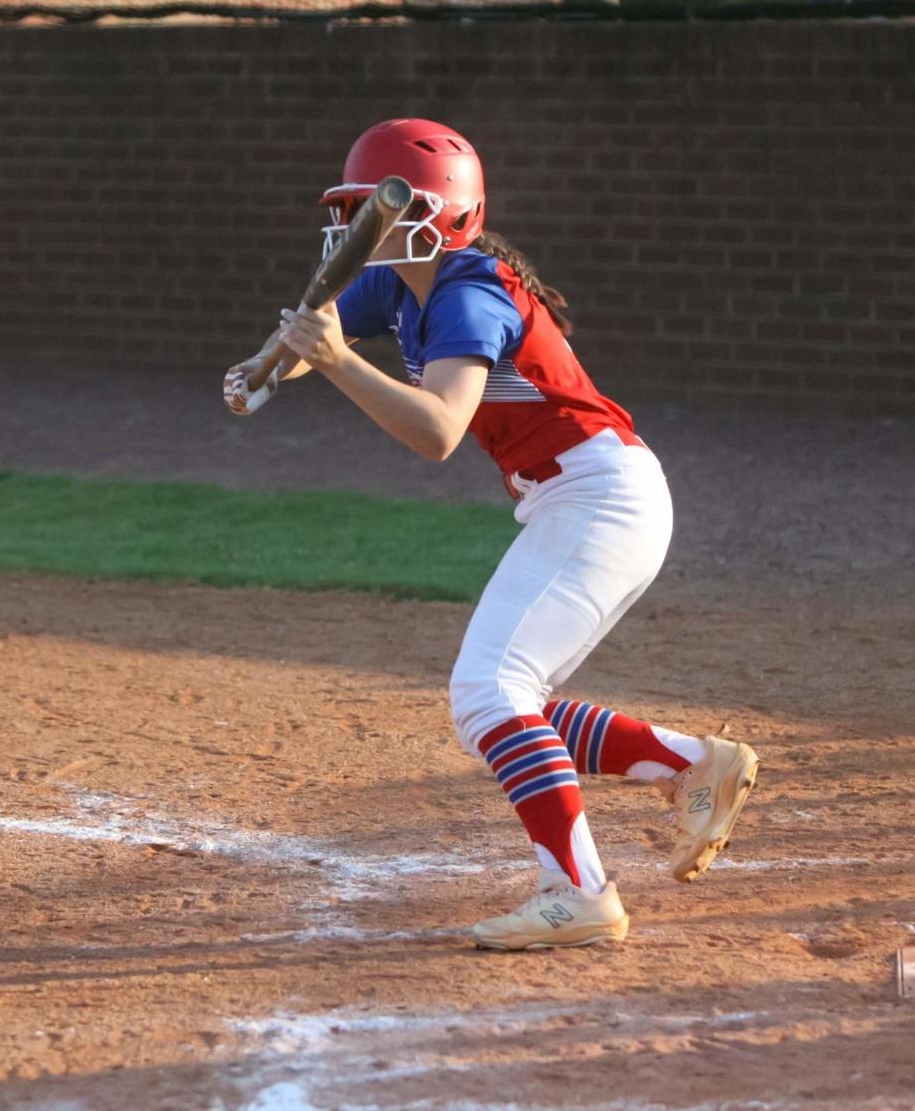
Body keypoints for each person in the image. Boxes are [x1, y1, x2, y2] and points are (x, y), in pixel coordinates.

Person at [224, 118, 759, 951]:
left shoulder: (469, 291)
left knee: (489, 695)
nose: (359, 223)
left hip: (601, 497)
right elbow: (321, 327)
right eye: (356, 208)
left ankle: (577, 890)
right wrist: (269, 365)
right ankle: (690, 762)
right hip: (575, 498)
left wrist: (332, 363)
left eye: (379, 208)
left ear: (443, 216)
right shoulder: (402, 278)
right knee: (514, 699)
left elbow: (439, 430)